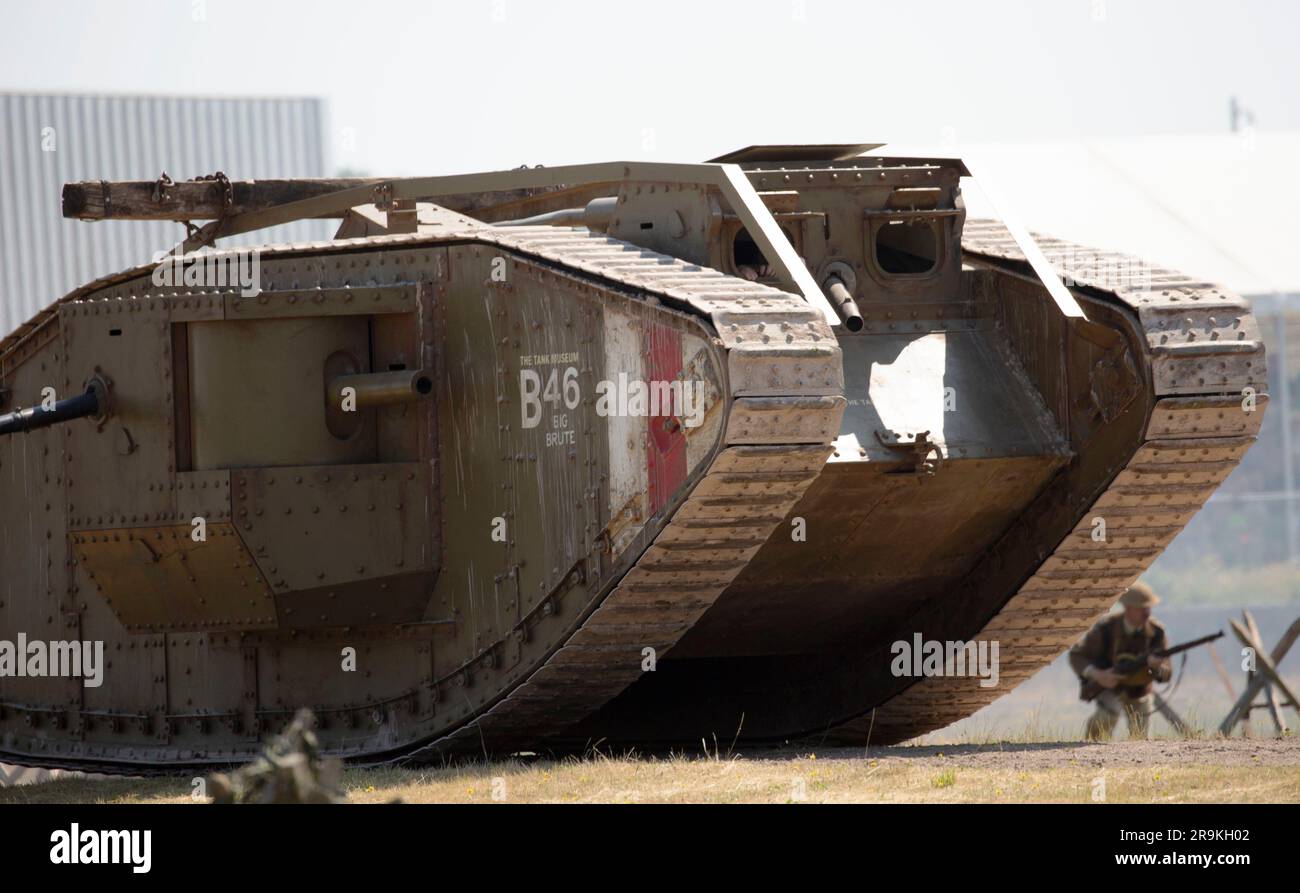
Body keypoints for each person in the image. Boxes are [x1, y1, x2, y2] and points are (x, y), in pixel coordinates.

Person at [1068, 581, 1173, 741]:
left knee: (1140, 739)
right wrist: (1098, 675)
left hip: (1139, 691)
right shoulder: (1105, 629)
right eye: (1142, 608)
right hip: (1110, 689)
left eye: (1148, 608)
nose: (1147, 613)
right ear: (1128, 609)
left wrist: (1157, 668)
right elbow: (1076, 655)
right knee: (1104, 720)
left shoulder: (1157, 633)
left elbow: (1166, 674)